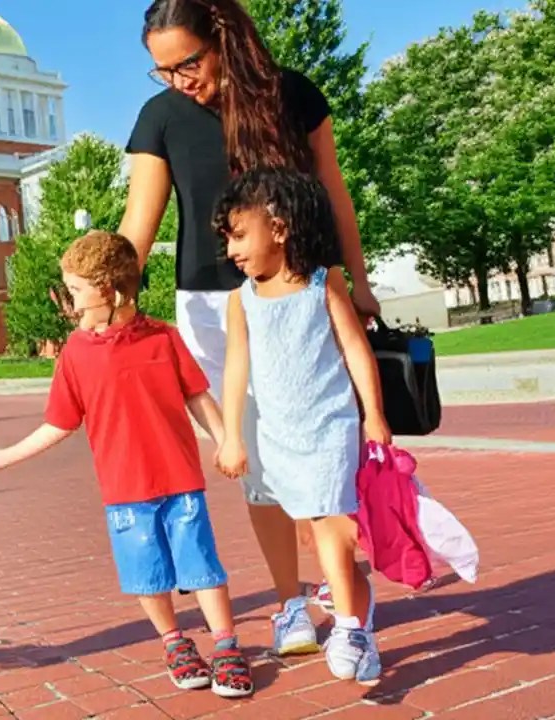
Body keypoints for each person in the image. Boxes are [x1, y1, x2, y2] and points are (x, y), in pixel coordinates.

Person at [115, 0, 381, 656]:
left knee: (321, 451)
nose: (179, 80)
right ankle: (291, 602)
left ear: (222, 38)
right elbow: (136, 226)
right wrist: (108, 294)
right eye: (163, 71)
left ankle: (343, 595)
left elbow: (333, 191)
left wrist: (358, 279)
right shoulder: (161, 118)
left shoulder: (293, 94)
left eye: (188, 63)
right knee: (257, 458)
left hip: (303, 294)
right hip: (209, 306)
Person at [0, 231, 254, 699]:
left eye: (78, 290)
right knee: (148, 573)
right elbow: (58, 423)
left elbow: (198, 397)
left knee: (202, 565)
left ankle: (225, 645)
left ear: (112, 288)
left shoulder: (165, 338)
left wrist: (226, 440)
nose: (72, 302)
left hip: (181, 481)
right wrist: (4, 458)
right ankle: (175, 642)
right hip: (124, 490)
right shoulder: (75, 355)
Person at [213, 167, 391, 683]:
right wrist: (230, 435)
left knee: (332, 520)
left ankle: (350, 624)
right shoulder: (240, 300)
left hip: (331, 425)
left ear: (281, 227)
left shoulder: (321, 282)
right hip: (278, 435)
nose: (232, 251)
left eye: (240, 236)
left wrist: (373, 414)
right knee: (315, 529)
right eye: (227, 240)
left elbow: (356, 348)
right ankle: (362, 625)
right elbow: (236, 369)